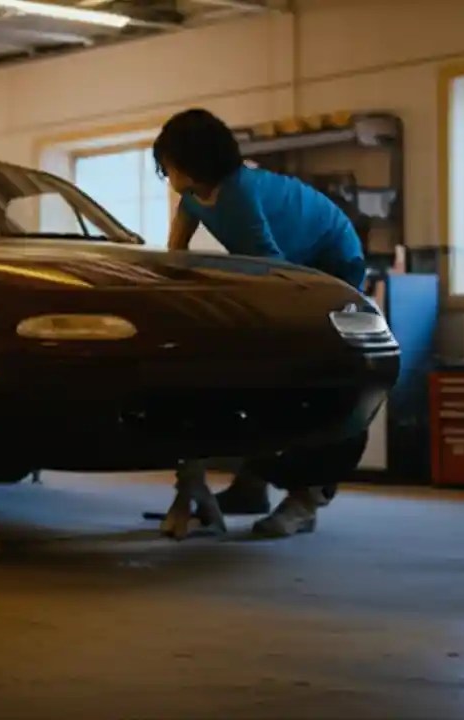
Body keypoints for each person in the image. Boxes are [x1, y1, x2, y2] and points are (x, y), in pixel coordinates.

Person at [151, 108, 371, 538]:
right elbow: (174, 254)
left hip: (332, 260)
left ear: (193, 163)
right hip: (290, 267)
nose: (166, 172)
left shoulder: (238, 195)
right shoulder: (195, 195)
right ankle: (252, 484)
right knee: (260, 377)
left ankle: (306, 500)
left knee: (313, 380)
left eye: (169, 164)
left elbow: (271, 268)